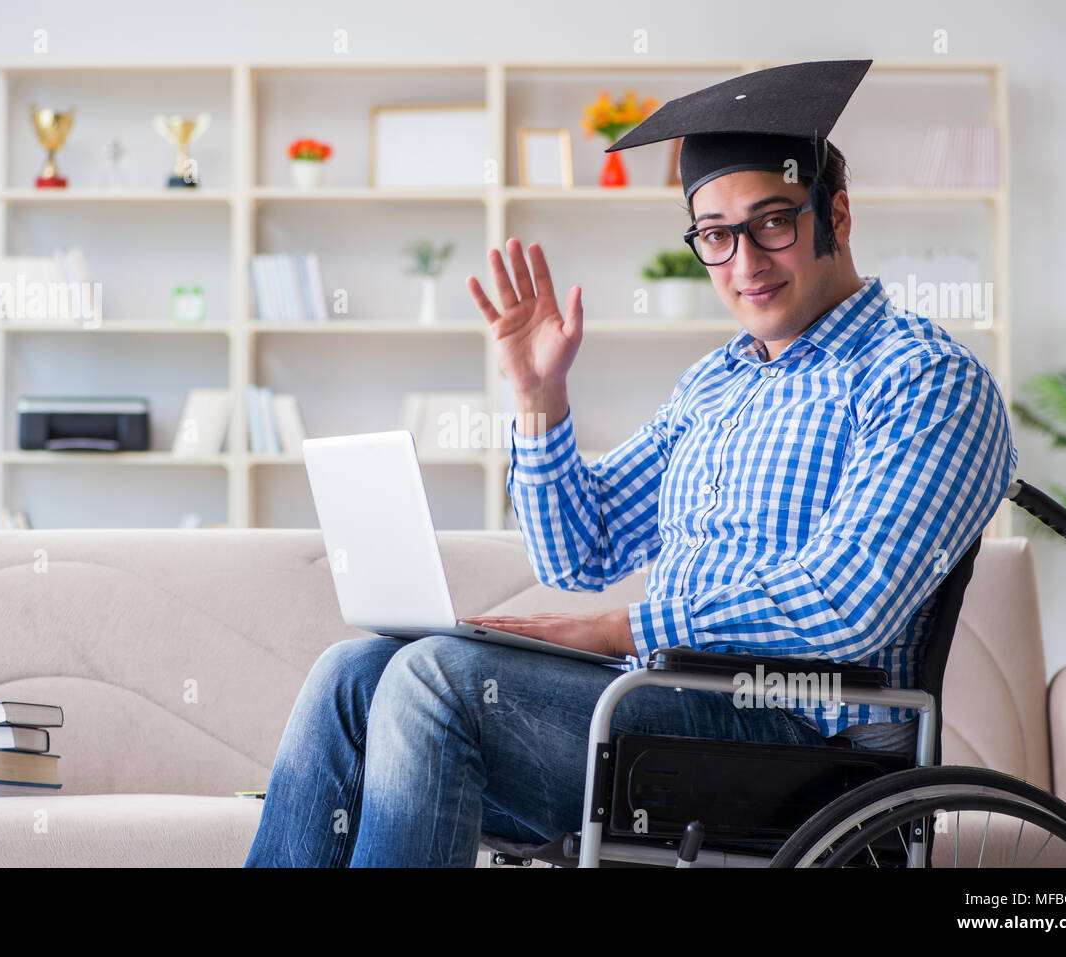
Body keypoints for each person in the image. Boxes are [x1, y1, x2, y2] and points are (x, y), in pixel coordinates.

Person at [244, 59, 1017, 868]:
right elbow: (582, 549)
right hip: (657, 711)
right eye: (716, 235)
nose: (745, 262)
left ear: (838, 215)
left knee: (436, 681)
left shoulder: (926, 379)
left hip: (795, 743)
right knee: (353, 673)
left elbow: (845, 603)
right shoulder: (718, 381)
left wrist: (626, 627)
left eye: (774, 223)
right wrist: (539, 396)